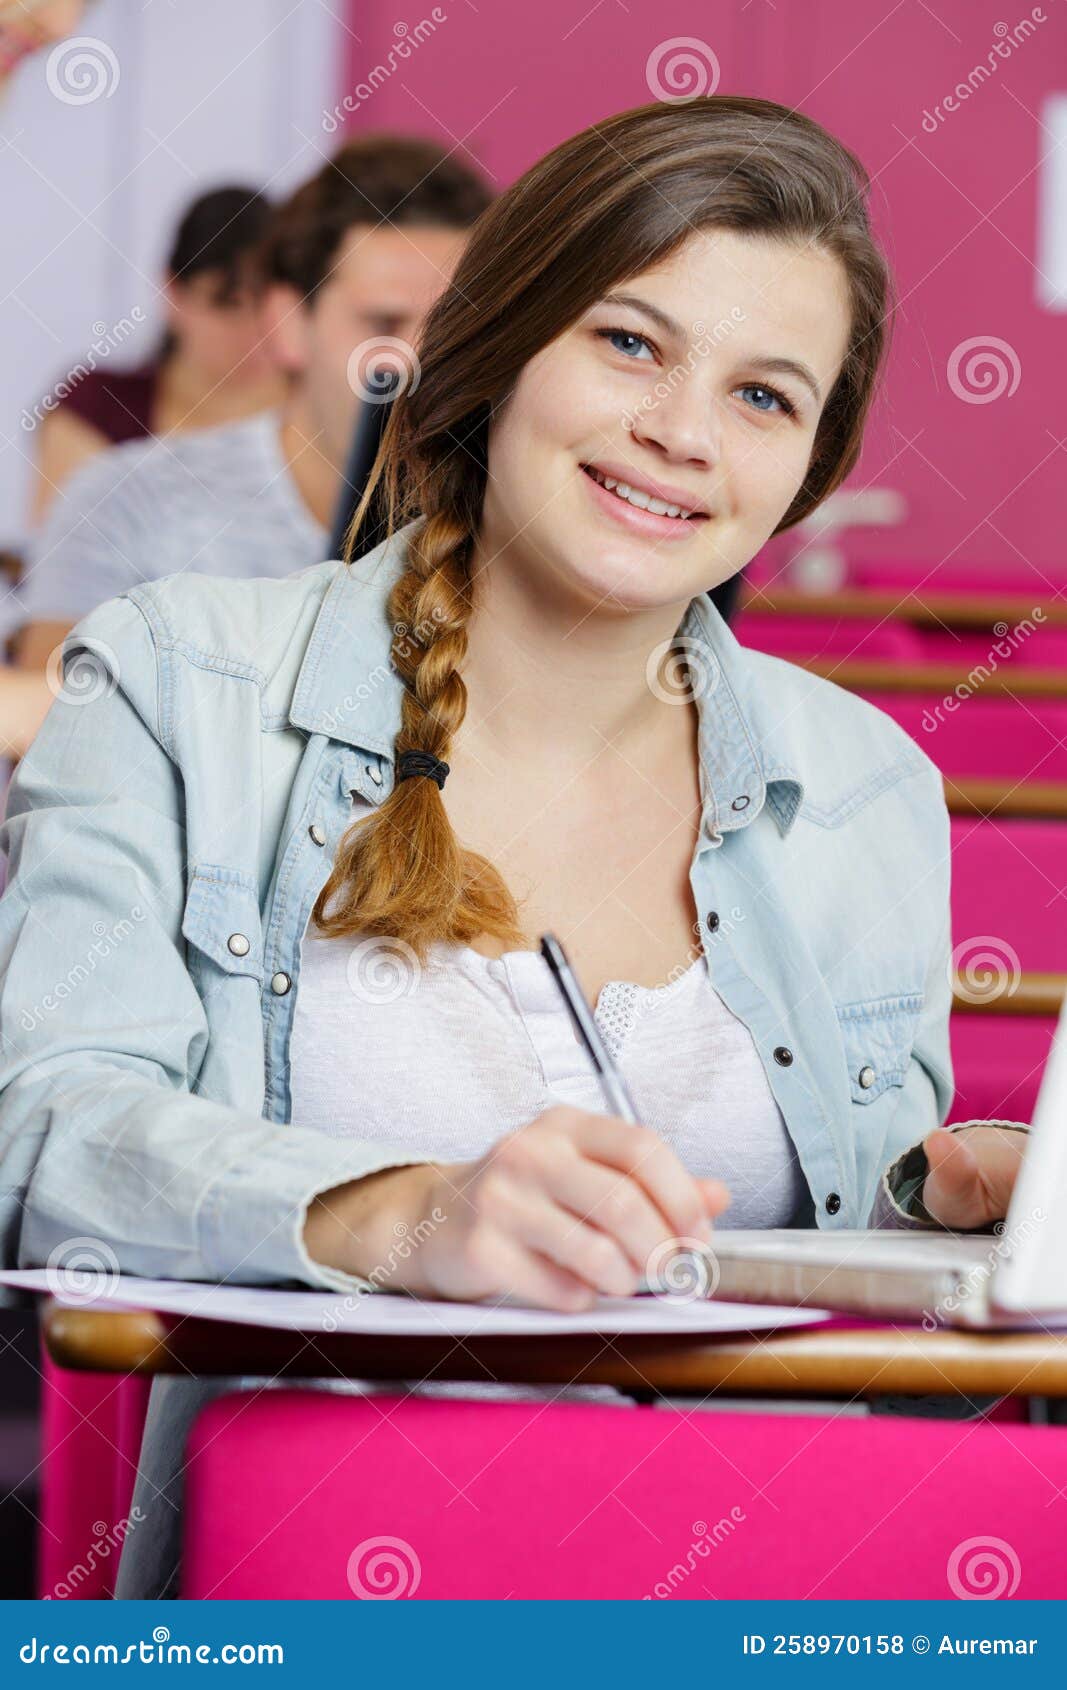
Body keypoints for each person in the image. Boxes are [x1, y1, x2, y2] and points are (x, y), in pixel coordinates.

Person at [0, 95, 1028, 1599]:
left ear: (804, 466)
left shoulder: (864, 782)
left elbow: (833, 1270)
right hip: (318, 1586)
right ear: (500, 345)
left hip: (766, 1584)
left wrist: (949, 1199)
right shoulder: (175, 677)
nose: (679, 433)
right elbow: (42, 1127)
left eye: (762, 396)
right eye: (628, 342)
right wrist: (405, 1211)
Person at [10, 133, 493, 672]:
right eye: (382, 323)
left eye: (453, 324)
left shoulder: (508, 520)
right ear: (288, 323)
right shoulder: (125, 501)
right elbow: (51, 725)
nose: (418, 361)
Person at [27, 184, 284, 525]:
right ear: (173, 291)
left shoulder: (324, 410)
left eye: (268, 307)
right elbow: (63, 564)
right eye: (227, 304)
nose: (255, 333)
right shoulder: (97, 408)